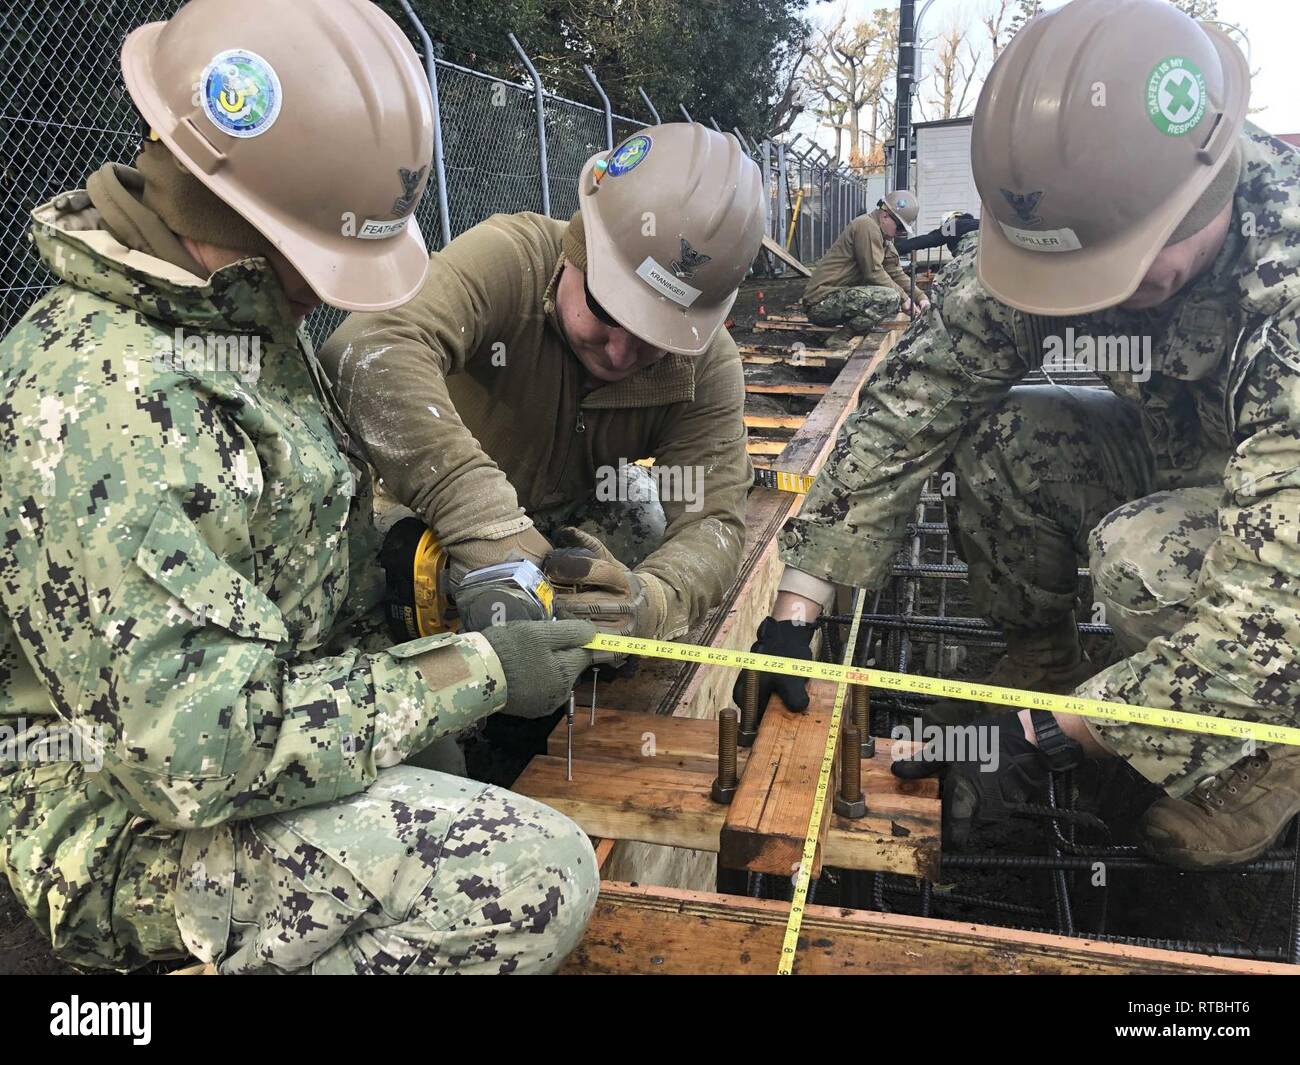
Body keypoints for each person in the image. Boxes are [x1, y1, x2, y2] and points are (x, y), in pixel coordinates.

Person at [0, 0, 598, 973]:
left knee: (446, 769)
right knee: (532, 871)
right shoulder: (114, 413)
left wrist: (421, 578)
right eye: (314, 258)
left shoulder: (221, 319)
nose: (326, 290)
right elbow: (198, 753)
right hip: (124, 833)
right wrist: (476, 670)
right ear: (224, 212)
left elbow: (270, 539)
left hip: (223, 749)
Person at [743, 0, 1300, 869]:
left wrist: (1046, 740)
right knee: (1008, 437)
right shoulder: (1079, 213)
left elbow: (1273, 602)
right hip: (1183, 451)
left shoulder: (1289, 285)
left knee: (1138, 555)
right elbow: (923, 388)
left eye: (1108, 274)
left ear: (1201, 200)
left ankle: (1268, 758)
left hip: (1281, 540)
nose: (1080, 296)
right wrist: (799, 598)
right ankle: (1042, 670)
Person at [318, 123, 765, 657]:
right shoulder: (512, 259)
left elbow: (712, 521)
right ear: (579, 247)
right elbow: (366, 349)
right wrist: (483, 521)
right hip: (424, 513)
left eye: (654, 340)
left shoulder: (707, 366)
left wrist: (655, 603)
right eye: (605, 311)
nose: (620, 354)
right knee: (403, 581)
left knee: (638, 520)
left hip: (560, 528)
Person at [801, 189, 930, 333]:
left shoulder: (883, 238)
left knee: (893, 295)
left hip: (836, 298)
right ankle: (842, 338)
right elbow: (874, 273)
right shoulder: (866, 226)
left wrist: (920, 297)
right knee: (890, 297)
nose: (900, 233)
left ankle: (851, 332)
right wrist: (905, 299)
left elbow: (896, 273)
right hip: (820, 303)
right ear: (885, 216)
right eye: (899, 227)